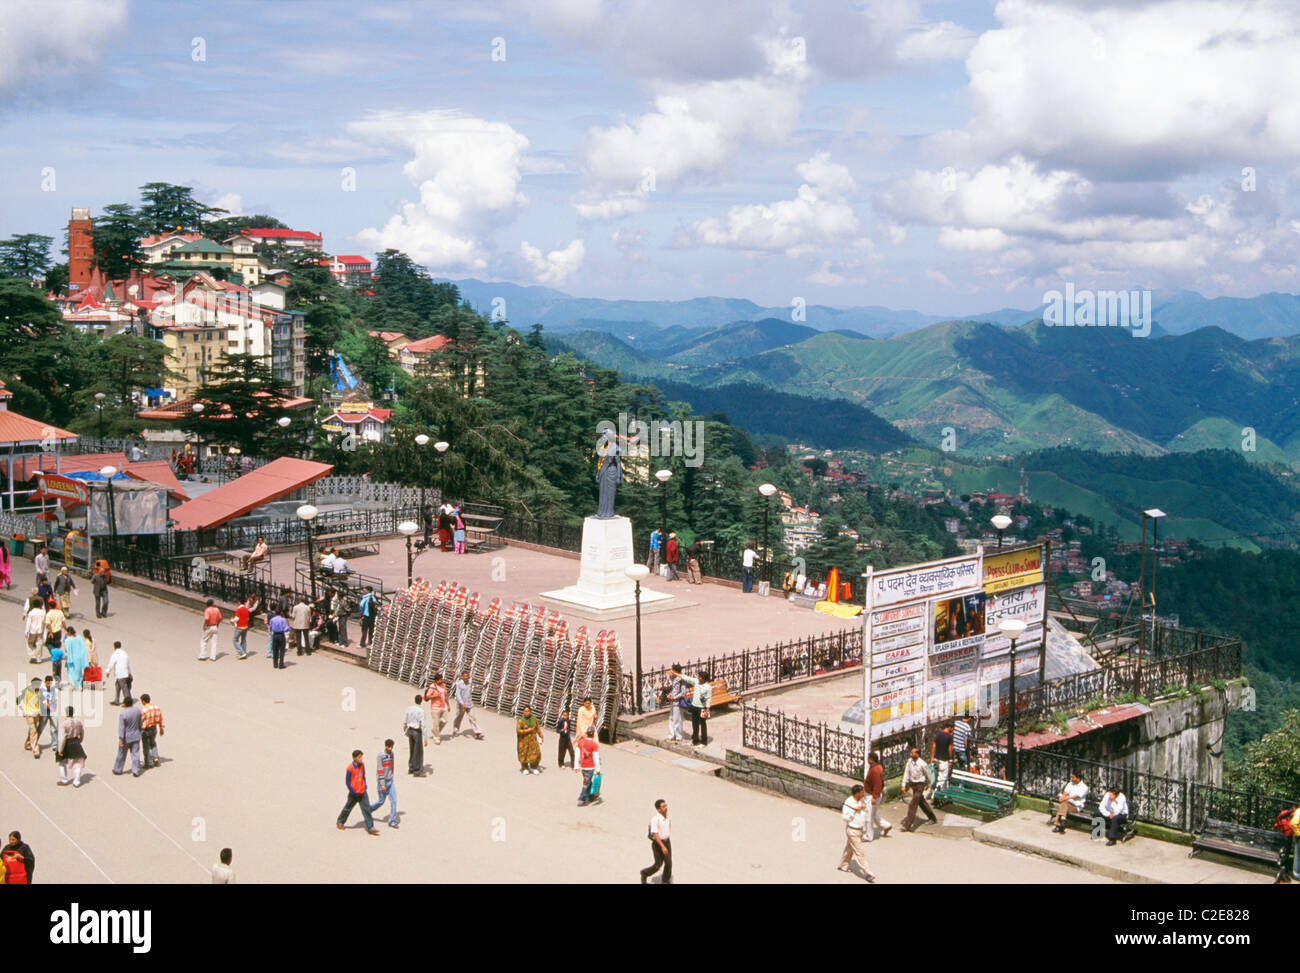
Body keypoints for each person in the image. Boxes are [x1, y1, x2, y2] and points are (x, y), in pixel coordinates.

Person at [838, 784, 877, 882]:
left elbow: (866, 813)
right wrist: (855, 810)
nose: (864, 793)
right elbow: (845, 818)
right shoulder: (849, 802)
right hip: (852, 830)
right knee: (859, 852)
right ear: (857, 793)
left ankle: (843, 864)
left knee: (849, 849)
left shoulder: (862, 800)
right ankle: (867, 873)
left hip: (860, 829)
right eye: (862, 792)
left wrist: (864, 807)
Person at [336, 750, 379, 835]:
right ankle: (340, 822)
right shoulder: (350, 768)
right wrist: (352, 791)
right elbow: (347, 782)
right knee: (348, 808)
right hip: (354, 793)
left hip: (362, 791)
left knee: (366, 809)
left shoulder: (362, 765)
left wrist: (365, 785)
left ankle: (370, 827)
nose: (361, 759)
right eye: (359, 757)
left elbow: (363, 775)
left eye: (361, 757)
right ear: (355, 758)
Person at [901, 747, 938, 831]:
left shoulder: (923, 764)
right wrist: (903, 785)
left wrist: (928, 784)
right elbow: (906, 773)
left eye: (913, 753)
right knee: (921, 802)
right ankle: (932, 817)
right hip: (913, 784)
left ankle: (908, 825)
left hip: (920, 785)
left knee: (913, 804)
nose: (911, 754)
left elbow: (928, 775)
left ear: (917, 754)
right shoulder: (909, 762)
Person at [640, 799, 672, 884]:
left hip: (667, 842)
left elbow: (668, 826)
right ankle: (644, 873)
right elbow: (655, 834)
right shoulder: (655, 819)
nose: (666, 808)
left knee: (669, 863)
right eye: (663, 806)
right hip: (658, 844)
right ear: (658, 809)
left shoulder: (667, 815)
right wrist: (662, 846)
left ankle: (665, 880)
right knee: (658, 865)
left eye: (666, 805)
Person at [369, 739, 399, 828]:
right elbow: (380, 770)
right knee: (381, 801)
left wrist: (391, 776)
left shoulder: (392, 754)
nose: (390, 749)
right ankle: (369, 809)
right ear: (385, 746)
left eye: (391, 747)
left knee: (394, 800)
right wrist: (382, 784)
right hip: (383, 782)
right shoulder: (380, 755)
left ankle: (392, 821)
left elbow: (392, 765)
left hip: (390, 781)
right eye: (389, 747)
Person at [679, 669, 713, 748]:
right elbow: (686, 678)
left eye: (699, 677)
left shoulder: (708, 687)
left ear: (703, 678)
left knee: (703, 724)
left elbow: (708, 699)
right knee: (695, 724)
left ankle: (704, 742)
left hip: (702, 708)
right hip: (694, 706)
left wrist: (707, 711)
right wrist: (676, 673)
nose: (698, 678)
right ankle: (695, 740)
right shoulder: (696, 682)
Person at [113, 697, 143, 777]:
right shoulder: (138, 711)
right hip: (136, 735)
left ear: (125, 704)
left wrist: (121, 739)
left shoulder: (123, 714)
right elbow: (140, 723)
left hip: (126, 737)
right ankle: (136, 770)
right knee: (135, 754)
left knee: (122, 754)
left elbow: (122, 728)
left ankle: (118, 769)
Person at [864, 750, 892, 840]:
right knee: (873, 814)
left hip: (872, 795)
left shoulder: (875, 770)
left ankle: (869, 836)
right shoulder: (876, 767)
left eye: (868, 758)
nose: (867, 760)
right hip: (873, 794)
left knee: (869, 816)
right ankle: (886, 826)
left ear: (872, 759)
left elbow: (877, 784)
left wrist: (874, 797)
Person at [57, 705, 87, 787]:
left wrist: (60, 750)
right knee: (77, 763)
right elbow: (82, 732)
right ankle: (76, 781)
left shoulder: (64, 724)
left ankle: (64, 779)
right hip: (76, 742)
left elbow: (62, 738)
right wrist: (80, 741)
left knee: (62, 762)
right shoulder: (78, 722)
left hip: (67, 743)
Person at [451, 670, 484, 739]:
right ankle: (456, 731)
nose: (466, 678)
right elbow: (458, 694)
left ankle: (477, 732)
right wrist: (461, 702)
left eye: (467, 676)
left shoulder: (470, 682)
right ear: (462, 676)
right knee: (458, 718)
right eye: (465, 676)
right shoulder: (459, 684)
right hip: (461, 704)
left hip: (469, 703)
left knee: (472, 718)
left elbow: (476, 679)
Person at [575, 725, 601, 807]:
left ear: (586, 733)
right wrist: (598, 769)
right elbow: (596, 758)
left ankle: (589, 796)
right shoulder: (594, 744)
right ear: (593, 735)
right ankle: (581, 798)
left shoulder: (581, 742)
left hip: (583, 766)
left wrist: (576, 766)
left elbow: (577, 754)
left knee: (587, 781)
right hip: (590, 767)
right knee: (586, 783)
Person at [403, 694, 428, 776]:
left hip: (410, 729)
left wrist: (405, 730)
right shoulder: (421, 711)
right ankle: (417, 770)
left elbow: (405, 721)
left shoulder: (409, 709)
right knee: (418, 752)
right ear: (421, 701)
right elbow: (423, 725)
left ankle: (411, 767)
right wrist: (425, 738)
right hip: (417, 731)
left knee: (412, 749)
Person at [929, 723, 954, 799]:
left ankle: (945, 793)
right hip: (944, 759)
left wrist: (932, 757)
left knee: (943, 777)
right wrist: (950, 760)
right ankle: (935, 794)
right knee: (942, 777)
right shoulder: (949, 737)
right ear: (949, 727)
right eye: (952, 728)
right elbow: (950, 749)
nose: (953, 730)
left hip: (937, 758)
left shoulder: (938, 734)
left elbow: (934, 746)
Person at [19, 677, 42, 759]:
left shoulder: (38, 691)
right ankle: (36, 750)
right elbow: (18, 700)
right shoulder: (26, 690)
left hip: (35, 713)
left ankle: (28, 744)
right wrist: (22, 710)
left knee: (32, 729)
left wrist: (40, 713)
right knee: (34, 730)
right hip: (28, 713)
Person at [140, 693, 165, 768]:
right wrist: (161, 728)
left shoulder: (143, 710)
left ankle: (148, 763)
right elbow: (160, 718)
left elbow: (140, 720)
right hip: (154, 728)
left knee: (146, 746)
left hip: (146, 729)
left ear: (143, 701)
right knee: (153, 743)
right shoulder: (156, 707)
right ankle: (155, 757)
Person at [516, 704, 543, 774]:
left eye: (528, 711)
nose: (526, 713)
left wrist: (541, 736)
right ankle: (524, 767)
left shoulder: (534, 719)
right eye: (525, 711)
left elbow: (537, 728)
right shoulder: (521, 720)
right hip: (523, 741)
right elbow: (518, 730)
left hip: (532, 740)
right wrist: (527, 731)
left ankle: (533, 767)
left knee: (536, 753)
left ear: (530, 711)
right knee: (524, 754)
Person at [424, 673, 449, 746]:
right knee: (436, 723)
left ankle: (435, 731)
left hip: (443, 706)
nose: (442, 680)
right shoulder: (432, 687)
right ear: (436, 680)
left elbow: (445, 695)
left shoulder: (443, 685)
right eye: (440, 679)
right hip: (435, 707)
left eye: (442, 679)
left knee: (445, 720)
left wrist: (448, 705)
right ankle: (437, 738)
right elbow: (427, 697)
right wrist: (435, 695)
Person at [666, 665, 689, 742]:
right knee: (671, 718)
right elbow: (674, 690)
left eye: (672, 670)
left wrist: (674, 697)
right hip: (672, 702)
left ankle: (679, 736)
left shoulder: (681, 679)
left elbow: (683, 692)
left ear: (675, 671)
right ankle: (671, 735)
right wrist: (670, 695)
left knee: (677, 720)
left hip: (677, 702)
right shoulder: (674, 678)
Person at [37, 675, 59, 752]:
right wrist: (51, 708)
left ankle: (55, 745)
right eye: (47, 683)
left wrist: (55, 707)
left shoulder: (54, 690)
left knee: (54, 728)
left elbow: (56, 699)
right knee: (40, 727)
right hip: (44, 711)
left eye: (50, 683)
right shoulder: (42, 690)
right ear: (45, 682)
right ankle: (34, 742)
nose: (49, 685)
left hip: (52, 712)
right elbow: (44, 701)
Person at [24, 596, 44, 663]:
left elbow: (28, 623)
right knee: (39, 644)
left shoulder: (31, 613)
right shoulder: (43, 612)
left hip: (32, 631)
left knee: (30, 643)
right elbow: (44, 622)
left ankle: (33, 656)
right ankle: (38, 658)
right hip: (40, 630)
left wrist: (26, 631)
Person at [232, 595, 250, 659]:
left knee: (235, 640)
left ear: (239, 602)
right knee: (243, 640)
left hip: (239, 626)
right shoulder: (247, 609)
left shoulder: (238, 609)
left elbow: (237, 618)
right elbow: (247, 618)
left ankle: (242, 652)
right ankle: (244, 652)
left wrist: (232, 620)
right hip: (245, 626)